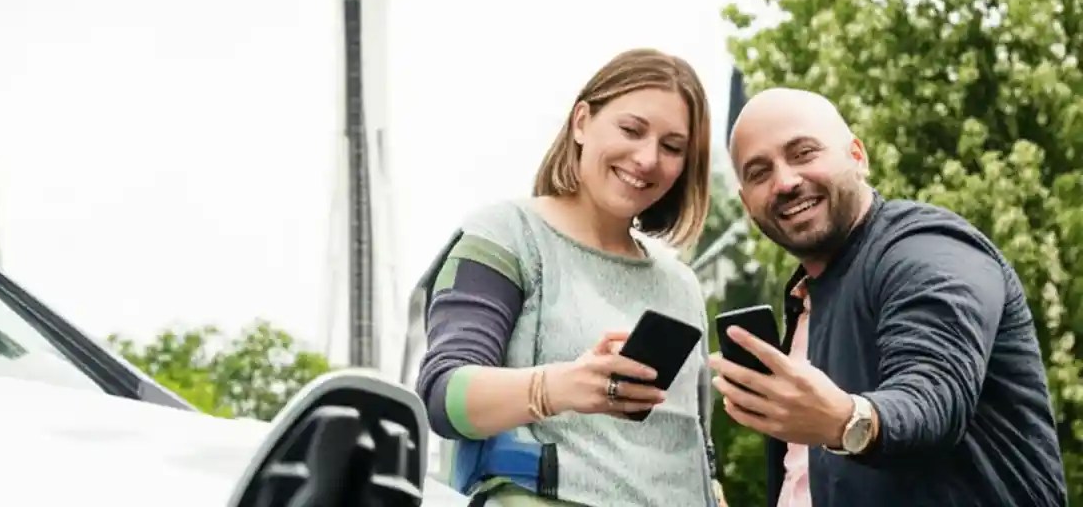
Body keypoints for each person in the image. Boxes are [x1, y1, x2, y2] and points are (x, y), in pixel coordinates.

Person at [711, 87, 1067, 506]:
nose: (785, 182)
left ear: (858, 156)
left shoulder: (925, 249)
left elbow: (932, 396)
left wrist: (847, 421)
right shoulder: (807, 299)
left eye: (804, 152)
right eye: (758, 172)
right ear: (745, 202)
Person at [415, 48, 726, 507]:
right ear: (581, 121)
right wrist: (556, 388)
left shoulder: (681, 285)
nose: (647, 158)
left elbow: (695, 446)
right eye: (631, 130)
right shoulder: (508, 234)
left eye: (672, 147)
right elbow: (442, 397)